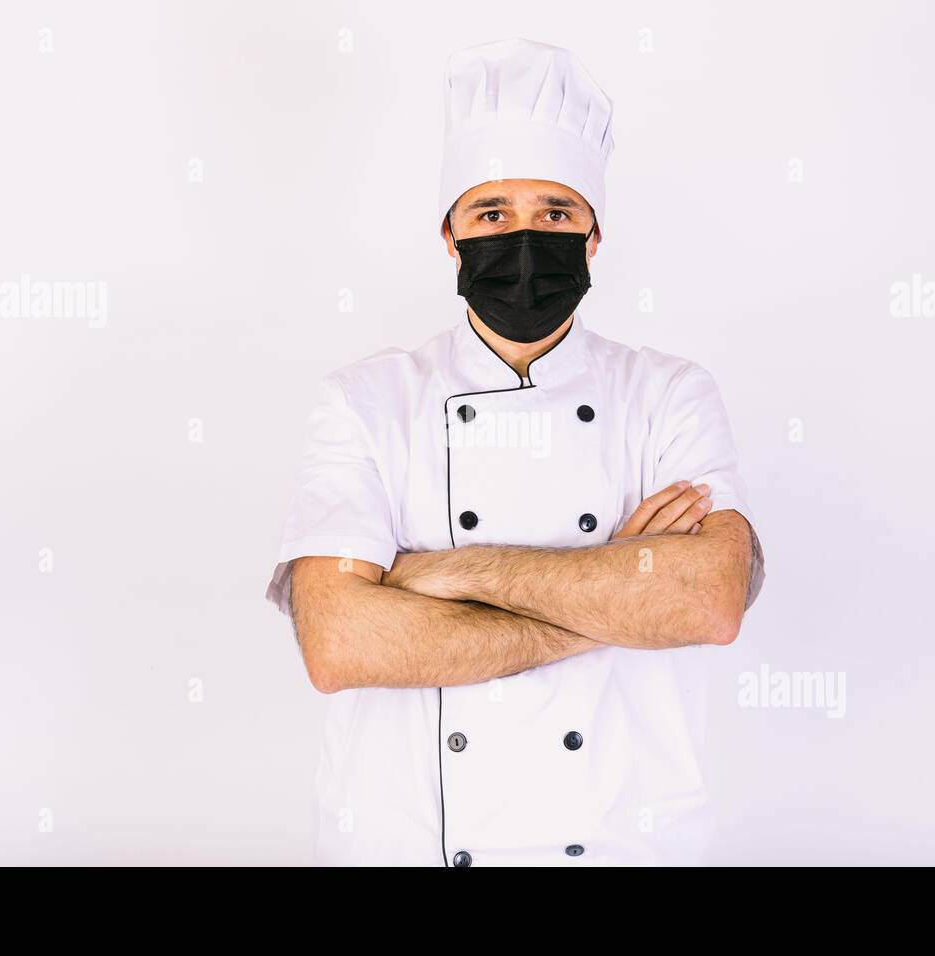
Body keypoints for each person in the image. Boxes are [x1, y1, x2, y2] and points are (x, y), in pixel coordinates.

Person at [266, 37, 765, 866]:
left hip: (620, 841)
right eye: (493, 214)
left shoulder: (670, 393)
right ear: (451, 237)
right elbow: (341, 644)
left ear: (594, 237)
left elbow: (708, 602)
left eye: (556, 214)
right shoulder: (365, 400)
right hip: (412, 846)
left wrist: (449, 573)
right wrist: (614, 595)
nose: (526, 240)